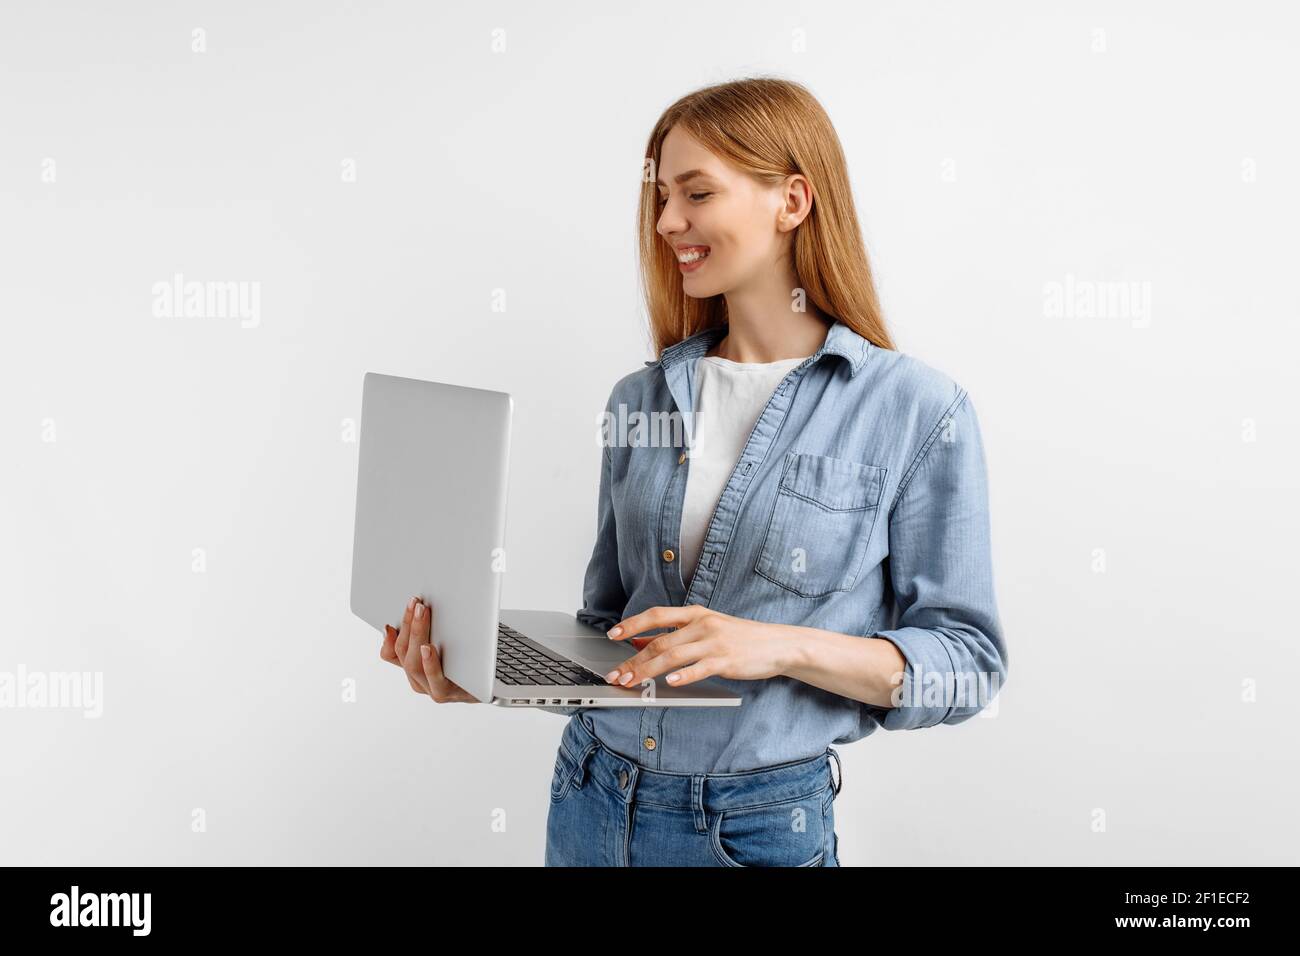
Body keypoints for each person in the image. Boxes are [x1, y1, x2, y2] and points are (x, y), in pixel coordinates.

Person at [382, 76, 1009, 867]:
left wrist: (779, 646)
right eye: (661, 196)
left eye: (697, 193)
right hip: (590, 799)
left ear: (793, 201)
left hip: (755, 829)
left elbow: (967, 667)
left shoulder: (917, 409)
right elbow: (615, 635)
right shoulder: (640, 398)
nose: (668, 220)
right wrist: (484, 670)